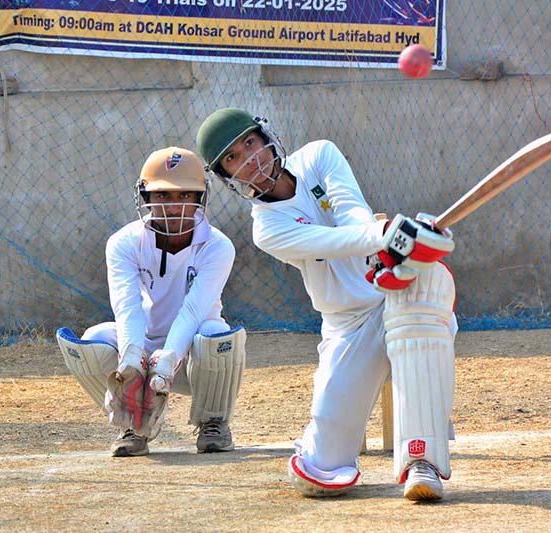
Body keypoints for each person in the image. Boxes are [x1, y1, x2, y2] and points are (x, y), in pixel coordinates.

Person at [195, 108, 457, 501]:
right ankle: (324, 441)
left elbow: (352, 213)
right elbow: (333, 242)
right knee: (320, 472)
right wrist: (385, 235)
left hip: (394, 296)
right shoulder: (267, 229)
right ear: (226, 176)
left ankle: (422, 461)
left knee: (426, 284)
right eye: (233, 157)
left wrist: (386, 241)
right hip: (347, 324)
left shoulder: (319, 155)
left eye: (250, 143)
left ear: (265, 137)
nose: (250, 159)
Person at [56, 147, 246, 457]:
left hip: (195, 361)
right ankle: (133, 422)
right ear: (145, 197)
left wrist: (167, 364)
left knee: (216, 336)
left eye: (185, 195)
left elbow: (193, 311)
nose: (174, 206)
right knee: (92, 341)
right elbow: (127, 308)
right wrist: (131, 365)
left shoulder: (217, 246)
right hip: (145, 354)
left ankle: (213, 422)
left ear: (200, 198)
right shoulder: (124, 242)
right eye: (163, 196)